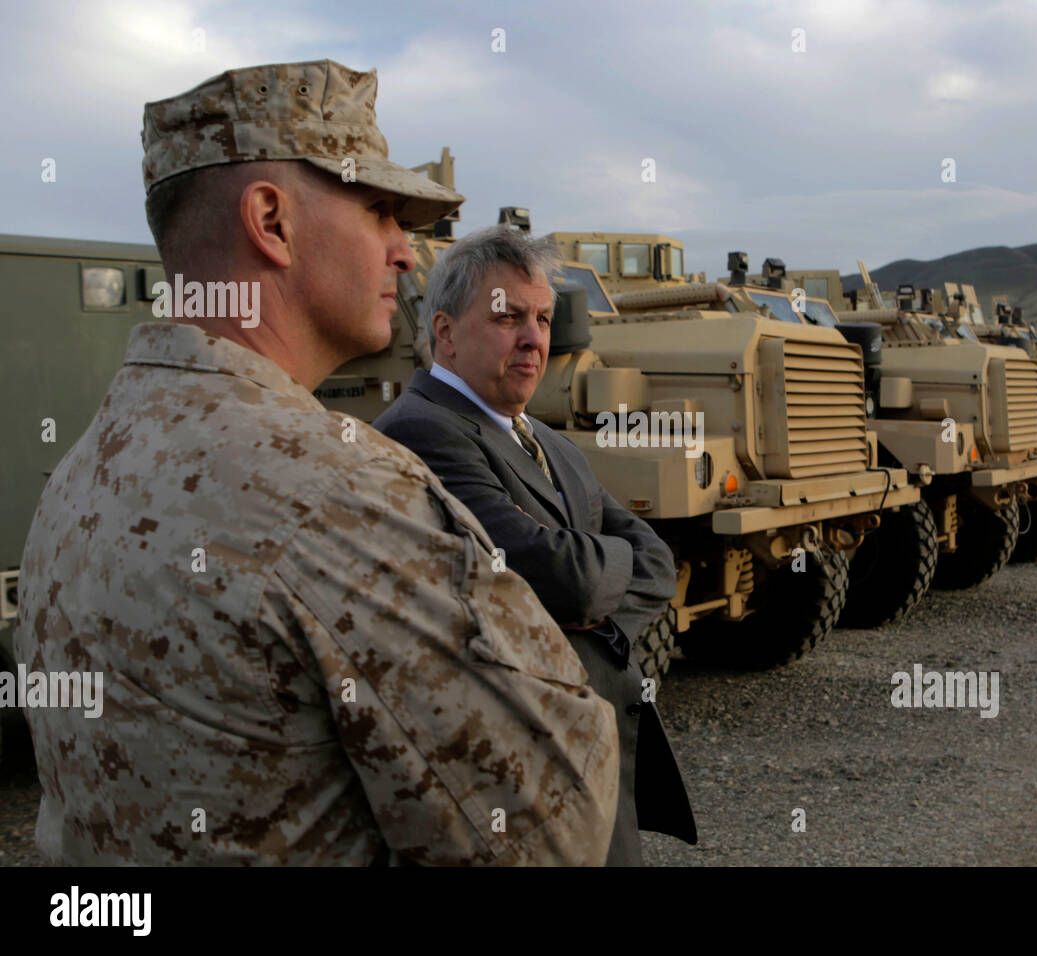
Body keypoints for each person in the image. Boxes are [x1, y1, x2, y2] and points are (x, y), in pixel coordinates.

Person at [13, 59, 620, 865]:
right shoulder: (341, 492)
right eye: (378, 211)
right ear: (272, 220)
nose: (406, 253)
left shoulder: (82, 472)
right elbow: (550, 826)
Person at [373, 227, 696, 865]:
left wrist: (589, 606)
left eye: (543, 318)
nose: (534, 337)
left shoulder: (550, 442)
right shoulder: (424, 432)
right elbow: (564, 576)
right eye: (509, 317)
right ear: (445, 333)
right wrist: (585, 589)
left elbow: (657, 561)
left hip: (591, 754)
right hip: (514, 775)